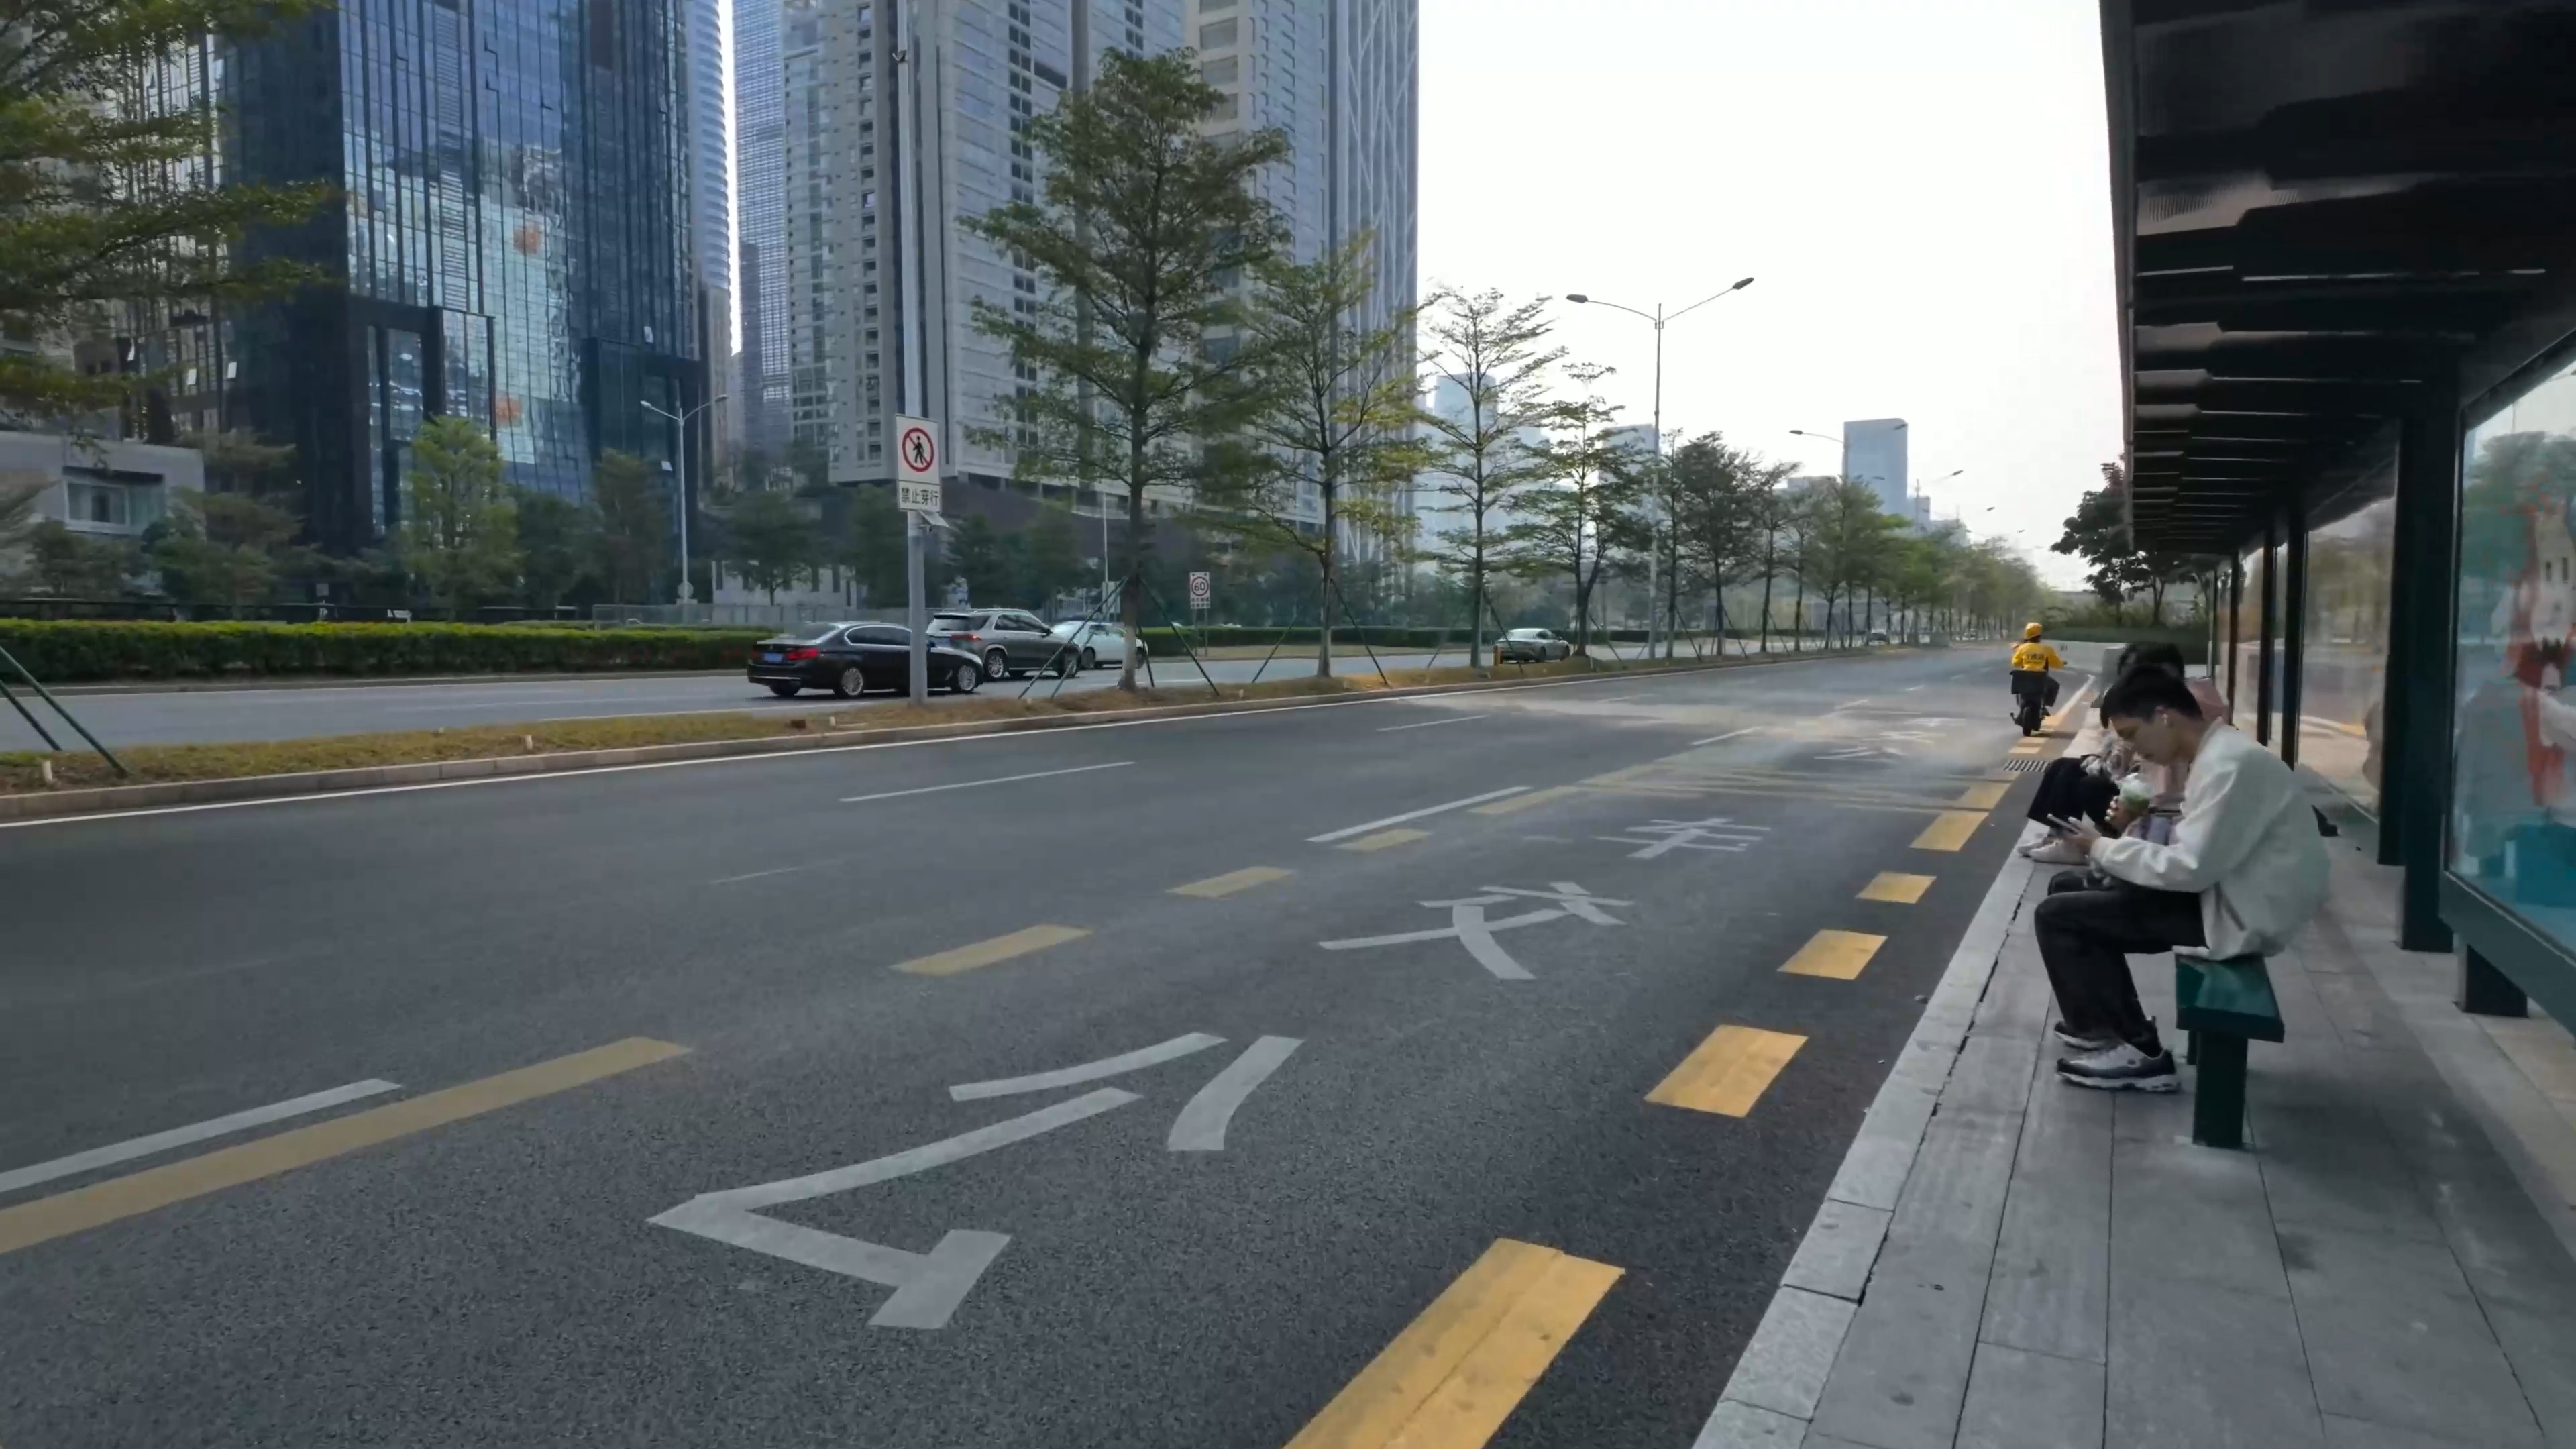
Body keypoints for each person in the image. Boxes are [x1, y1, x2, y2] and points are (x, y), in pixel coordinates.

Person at [2033, 667, 2330, 1092]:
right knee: (2068, 888)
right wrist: (2119, 838)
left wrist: (2100, 848)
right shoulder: (2217, 755)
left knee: (2059, 915)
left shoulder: (2229, 765)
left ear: (2164, 716)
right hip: (2224, 893)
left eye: (2132, 734)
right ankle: (2096, 1025)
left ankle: (2139, 1050)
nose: (2132, 748)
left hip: (2238, 914)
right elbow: (2195, 852)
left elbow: (2189, 868)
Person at [2010, 623, 2066, 710]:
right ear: (2040, 635)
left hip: (2024, 677)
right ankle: (2044, 706)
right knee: (2055, 686)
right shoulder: (2047, 649)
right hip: (2041, 677)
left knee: (2019, 687)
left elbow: (2015, 663)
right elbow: (2057, 664)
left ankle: (2020, 704)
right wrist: (2062, 663)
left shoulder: (2022, 648)